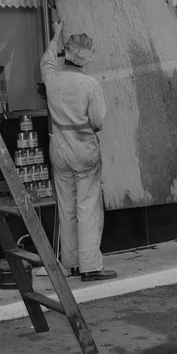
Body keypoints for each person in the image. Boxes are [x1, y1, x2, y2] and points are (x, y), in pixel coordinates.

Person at [40, 17, 115, 282]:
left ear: (67, 56)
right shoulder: (91, 85)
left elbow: (47, 60)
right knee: (88, 208)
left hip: (58, 147)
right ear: (87, 59)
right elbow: (98, 121)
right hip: (83, 148)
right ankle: (91, 266)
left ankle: (70, 262)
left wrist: (55, 35)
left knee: (66, 207)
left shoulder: (52, 79)